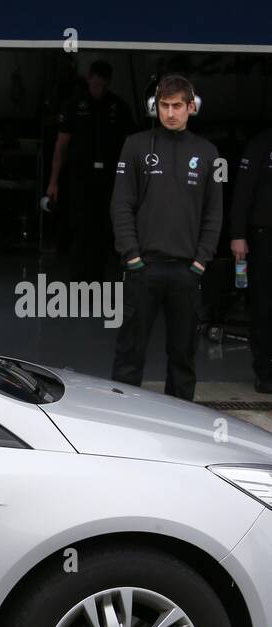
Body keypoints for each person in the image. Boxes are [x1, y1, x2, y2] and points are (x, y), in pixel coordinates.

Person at [110, 74, 222, 401]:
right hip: (143, 269)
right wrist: (132, 256)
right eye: (163, 106)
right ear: (154, 107)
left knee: (183, 357)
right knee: (129, 356)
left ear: (191, 107)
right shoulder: (135, 145)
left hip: (187, 272)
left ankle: (180, 425)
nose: (170, 113)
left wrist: (201, 261)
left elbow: (214, 214)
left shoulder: (209, 152)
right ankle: (121, 421)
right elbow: (120, 205)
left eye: (177, 106)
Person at [48, 61, 134, 281]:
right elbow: (61, 145)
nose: (100, 90)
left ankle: (99, 278)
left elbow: (130, 146)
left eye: (104, 86)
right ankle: (78, 279)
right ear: (89, 80)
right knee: (80, 227)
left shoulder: (118, 107)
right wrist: (53, 181)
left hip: (109, 178)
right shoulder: (74, 105)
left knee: (105, 228)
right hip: (80, 178)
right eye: (96, 85)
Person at [230, 126, 272, 393]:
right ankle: (266, 372)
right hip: (264, 236)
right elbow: (243, 191)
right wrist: (237, 234)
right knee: (263, 306)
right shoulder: (262, 142)